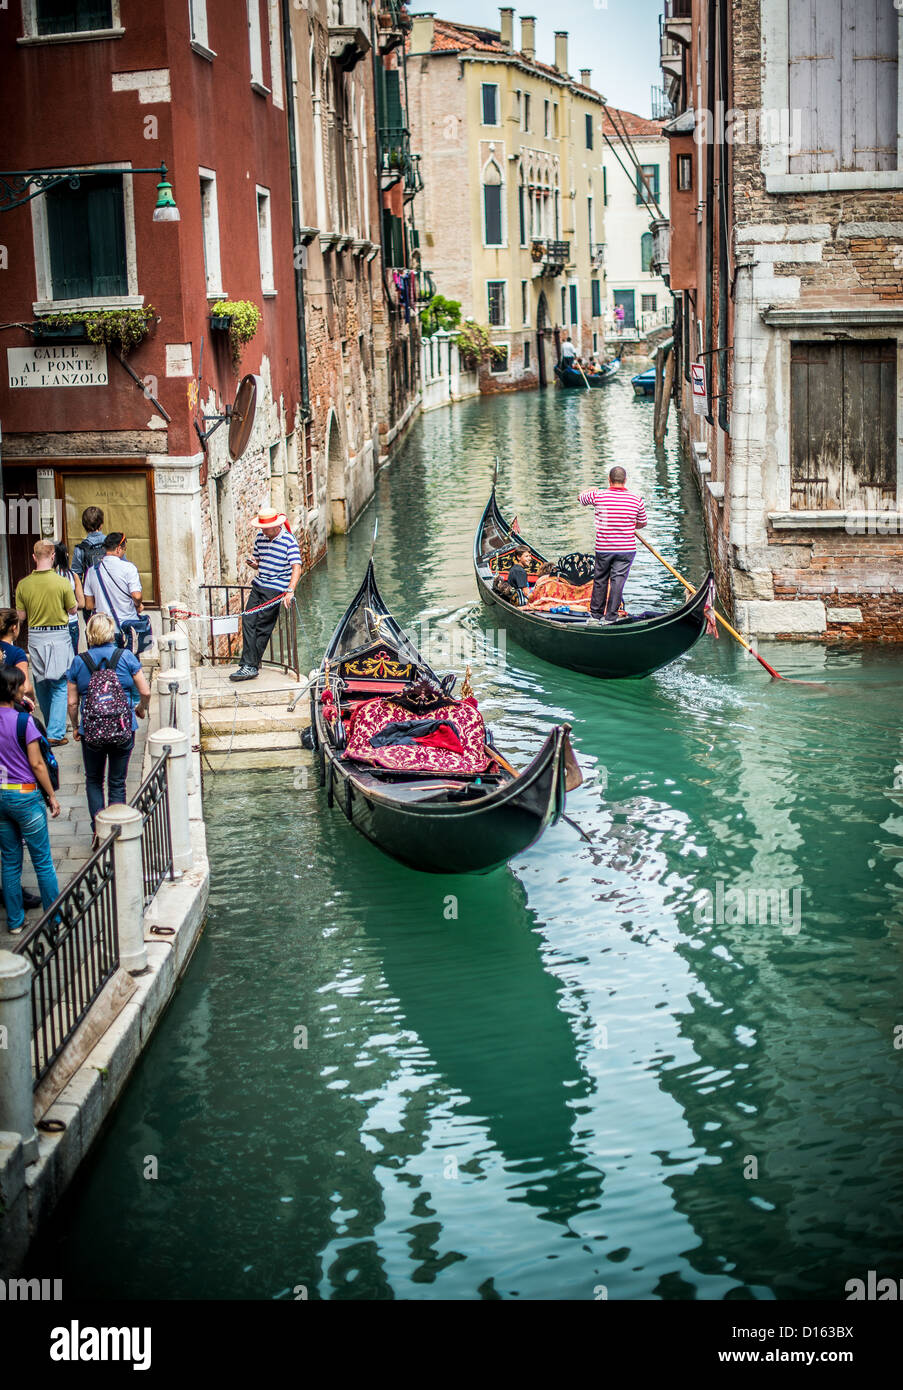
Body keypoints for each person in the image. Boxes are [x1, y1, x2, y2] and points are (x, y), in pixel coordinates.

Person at [67, 613, 151, 846]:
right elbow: (145, 691)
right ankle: (117, 829)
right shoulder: (126, 657)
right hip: (123, 728)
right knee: (117, 781)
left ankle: (98, 831)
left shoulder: (78, 661)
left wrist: (76, 727)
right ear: (111, 632)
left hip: (91, 731)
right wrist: (141, 708)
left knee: (94, 780)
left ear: (90, 635)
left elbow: (72, 703)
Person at [0, 666, 61, 934]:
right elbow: (37, 765)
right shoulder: (24, 722)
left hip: (1, 795)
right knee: (43, 861)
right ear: (15, 690)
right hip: (25, 795)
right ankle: (55, 919)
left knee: (10, 862)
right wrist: (52, 795)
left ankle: (15, 923)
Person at [15, 539, 77, 746]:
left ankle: (52, 726)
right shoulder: (62, 583)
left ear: (34, 557)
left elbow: (21, 616)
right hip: (59, 635)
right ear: (53, 556)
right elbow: (73, 610)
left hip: (35, 635)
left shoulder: (23, 584)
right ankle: (55, 732)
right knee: (60, 683)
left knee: (42, 682)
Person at [230, 508, 302, 682]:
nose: (262, 530)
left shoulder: (288, 540)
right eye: (262, 527)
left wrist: (290, 590)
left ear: (276, 526)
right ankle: (250, 664)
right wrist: (253, 564)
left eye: (266, 527)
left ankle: (250, 666)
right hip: (259, 585)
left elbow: (296, 566)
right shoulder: (260, 538)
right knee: (248, 619)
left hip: (276, 589)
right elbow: (259, 562)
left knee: (262, 625)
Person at [578, 466, 648, 622]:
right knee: (618, 582)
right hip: (626, 549)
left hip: (604, 548)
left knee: (600, 580)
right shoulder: (636, 500)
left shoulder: (598, 495)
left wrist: (592, 488)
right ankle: (611, 618)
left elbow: (580, 498)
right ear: (625, 480)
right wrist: (629, 524)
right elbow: (642, 523)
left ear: (609, 480)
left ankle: (596, 616)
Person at [83, 532, 145, 653]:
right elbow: (136, 596)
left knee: (109, 667)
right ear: (118, 549)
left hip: (105, 630)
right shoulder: (128, 568)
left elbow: (89, 605)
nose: (124, 553)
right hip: (129, 627)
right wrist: (138, 605)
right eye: (124, 549)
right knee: (129, 666)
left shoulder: (92, 571)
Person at [0, 608, 36, 706]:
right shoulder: (17, 653)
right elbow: (26, 687)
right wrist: (31, 699)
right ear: (14, 628)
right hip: (8, 705)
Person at [55, 541, 84, 656]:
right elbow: (81, 603)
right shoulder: (73, 576)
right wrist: (71, 605)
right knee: (73, 658)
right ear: (66, 555)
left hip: (54, 623)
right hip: (71, 621)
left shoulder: (49, 576)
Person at [71, 506, 107, 580]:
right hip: (111, 589)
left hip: (90, 590)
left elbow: (76, 576)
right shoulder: (112, 543)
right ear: (101, 524)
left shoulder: (80, 549)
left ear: (84, 525)